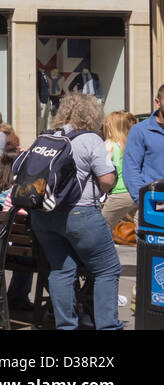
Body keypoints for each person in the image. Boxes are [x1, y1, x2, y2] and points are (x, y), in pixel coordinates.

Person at [24, 93, 122, 330]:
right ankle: (108, 326)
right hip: (80, 214)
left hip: (44, 216)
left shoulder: (48, 137)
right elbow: (107, 179)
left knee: (61, 269)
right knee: (107, 269)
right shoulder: (90, 139)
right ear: (92, 114)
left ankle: (66, 326)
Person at [123, 83, 164, 211]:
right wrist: (144, 201)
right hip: (156, 203)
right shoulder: (140, 131)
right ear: (157, 102)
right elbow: (131, 169)